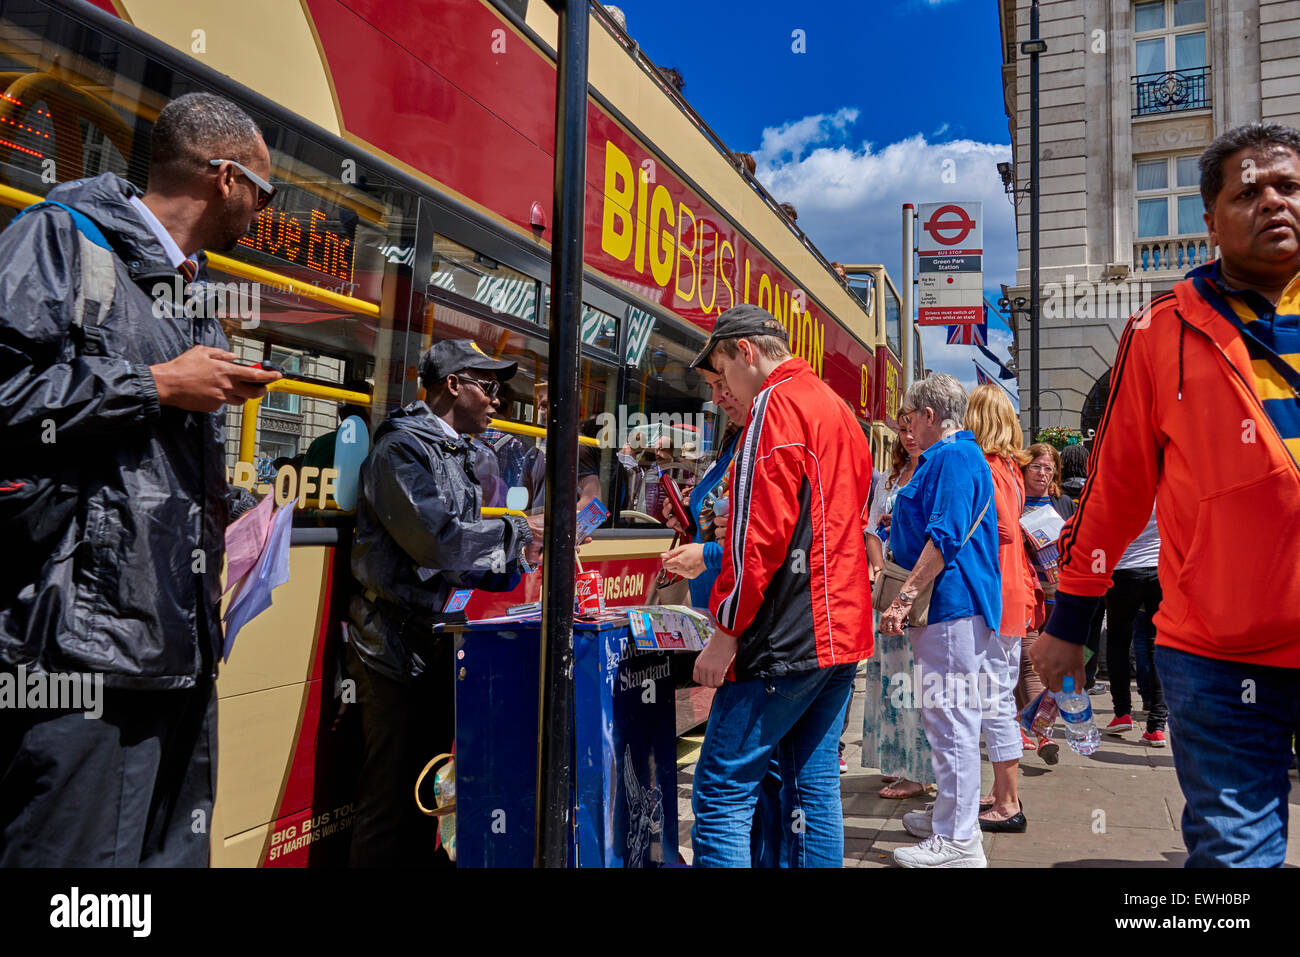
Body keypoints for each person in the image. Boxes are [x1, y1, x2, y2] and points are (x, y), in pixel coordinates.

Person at [0, 92, 280, 866]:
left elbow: (145, 469)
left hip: (177, 647)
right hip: (79, 657)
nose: (263, 211)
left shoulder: (192, 297)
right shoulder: (60, 240)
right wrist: (155, 385)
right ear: (224, 178)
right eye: (264, 189)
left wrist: (244, 511)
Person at [1031, 122, 1300, 868]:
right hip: (1217, 651)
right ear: (1209, 220)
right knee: (1234, 859)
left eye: (1288, 186)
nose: (1274, 202)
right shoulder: (1159, 332)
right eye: (1249, 191)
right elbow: (1115, 488)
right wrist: (1070, 621)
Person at [686, 305, 874, 868]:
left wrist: (725, 632)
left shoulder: (776, 404)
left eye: (720, 375)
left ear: (746, 350)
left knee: (721, 790)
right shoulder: (837, 409)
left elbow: (758, 541)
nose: (720, 395)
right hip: (838, 633)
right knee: (810, 793)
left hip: (786, 638)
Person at [345, 339, 542, 867]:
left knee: (429, 788)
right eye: (489, 387)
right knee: (390, 798)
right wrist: (516, 535)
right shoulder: (400, 448)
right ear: (453, 385)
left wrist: (524, 559)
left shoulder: (461, 452)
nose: (497, 401)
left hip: (434, 639)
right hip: (389, 646)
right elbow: (435, 540)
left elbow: (461, 560)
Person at [877, 373, 1000, 868]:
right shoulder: (956, 456)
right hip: (951, 609)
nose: (908, 427)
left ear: (929, 416)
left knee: (950, 723)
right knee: (945, 720)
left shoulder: (950, 457)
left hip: (950, 607)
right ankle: (952, 819)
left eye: (910, 418)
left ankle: (959, 842)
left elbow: (944, 536)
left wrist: (903, 598)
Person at [965, 385, 1036, 834]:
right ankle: (1001, 790)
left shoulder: (989, 467)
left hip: (998, 595)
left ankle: (1008, 801)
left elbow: (1005, 530)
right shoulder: (1010, 466)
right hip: (1014, 591)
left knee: (992, 699)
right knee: (998, 695)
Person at [862, 429, 936, 801]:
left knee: (913, 680)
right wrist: (878, 569)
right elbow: (871, 528)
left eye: (914, 426)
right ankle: (895, 758)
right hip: (889, 580)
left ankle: (919, 770)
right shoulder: (891, 477)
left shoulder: (934, 470)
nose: (909, 435)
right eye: (903, 427)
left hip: (918, 587)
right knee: (889, 678)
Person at [1017, 441, 1073, 765]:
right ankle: (1043, 734)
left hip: (1057, 595)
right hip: (1025, 592)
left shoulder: (1063, 505)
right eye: (1036, 466)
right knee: (1025, 660)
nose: (1042, 473)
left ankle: (1024, 723)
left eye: (1048, 468)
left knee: (1047, 665)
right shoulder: (1015, 503)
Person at [1101, 507, 1168, 745]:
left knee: (1118, 642)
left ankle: (1122, 713)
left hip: (1123, 568)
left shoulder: (1120, 482)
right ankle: (1157, 725)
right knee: (1157, 644)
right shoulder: (1167, 480)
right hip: (1160, 568)